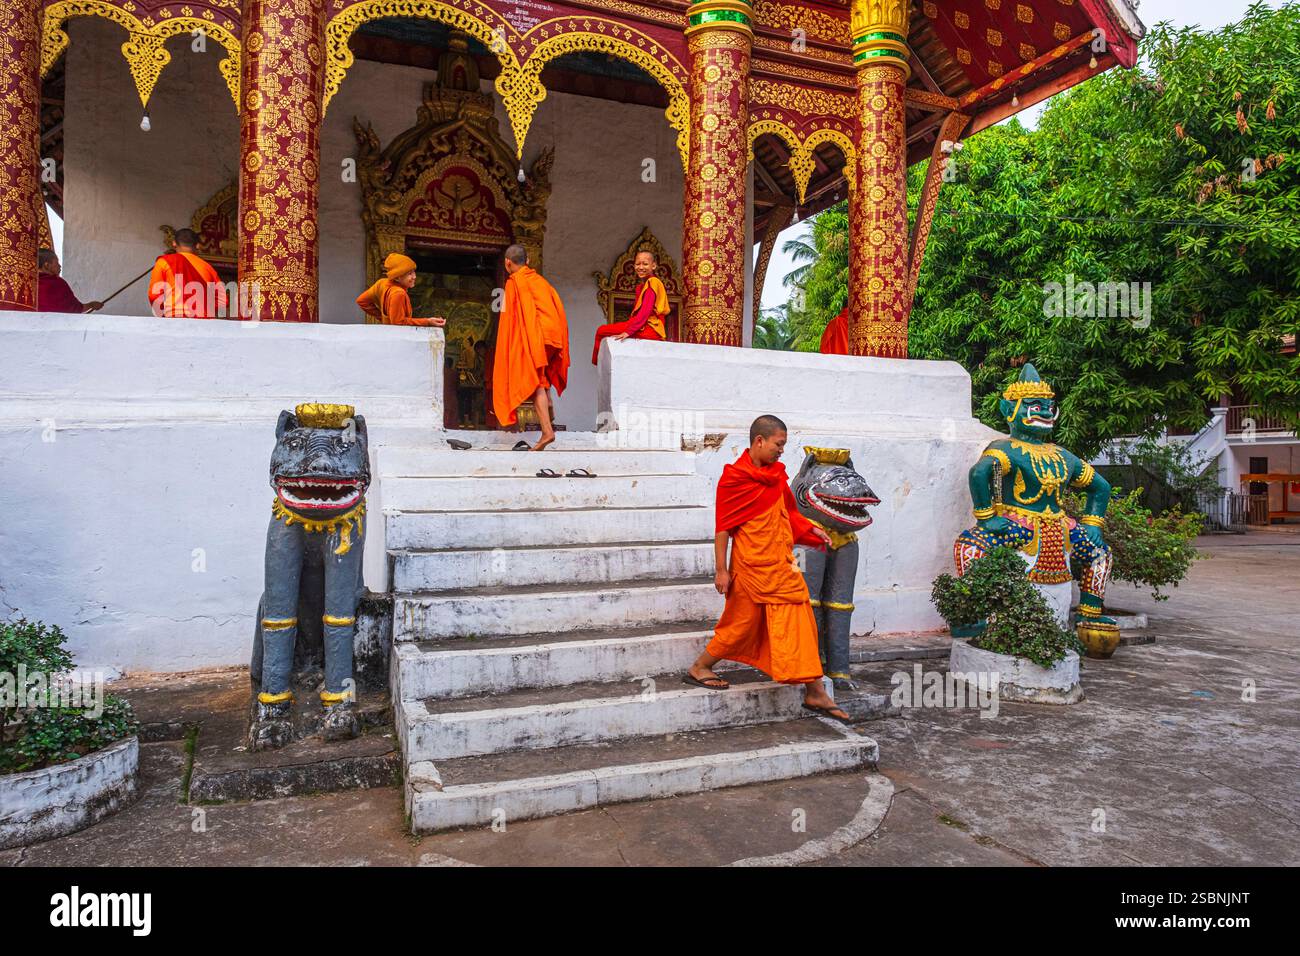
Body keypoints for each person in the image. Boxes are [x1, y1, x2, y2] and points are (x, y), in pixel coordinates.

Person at [684, 415, 851, 721]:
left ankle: (814, 690)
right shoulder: (734, 479)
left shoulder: (776, 476)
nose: (781, 451)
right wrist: (721, 570)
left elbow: (787, 513)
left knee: (798, 616)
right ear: (759, 441)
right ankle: (700, 666)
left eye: (783, 445)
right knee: (740, 625)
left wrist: (812, 530)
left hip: (780, 565)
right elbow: (723, 528)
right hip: (750, 567)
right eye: (778, 444)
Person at [492, 244, 569, 451]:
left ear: (507, 263)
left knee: (534, 383)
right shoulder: (541, 281)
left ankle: (547, 432)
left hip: (536, 336)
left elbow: (513, 320)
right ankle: (549, 413)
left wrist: (513, 349)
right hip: (554, 336)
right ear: (528, 261)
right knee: (542, 382)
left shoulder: (515, 282)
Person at [590, 249, 668, 364]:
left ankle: (598, 363)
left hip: (649, 329)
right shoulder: (643, 286)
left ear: (654, 265)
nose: (641, 267)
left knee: (602, 330)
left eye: (645, 264)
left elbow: (645, 312)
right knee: (605, 331)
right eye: (638, 264)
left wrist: (629, 331)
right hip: (647, 328)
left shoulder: (653, 282)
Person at [148, 228, 228, 318]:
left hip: (175, 316)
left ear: (174, 243)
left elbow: (154, 295)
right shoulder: (208, 268)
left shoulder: (164, 262)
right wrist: (206, 311)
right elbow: (223, 300)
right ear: (197, 245)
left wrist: (163, 314)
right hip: (203, 321)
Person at [355, 253, 446, 327]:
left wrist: (383, 317)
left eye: (414, 271)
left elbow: (362, 300)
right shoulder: (398, 293)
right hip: (395, 340)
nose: (414, 277)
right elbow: (398, 323)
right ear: (397, 278)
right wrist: (427, 322)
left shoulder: (381, 283)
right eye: (409, 274)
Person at [37, 249, 102, 314]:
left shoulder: (29, 283)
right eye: (56, 263)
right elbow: (75, 308)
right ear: (47, 265)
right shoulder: (57, 283)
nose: (60, 266)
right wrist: (91, 305)